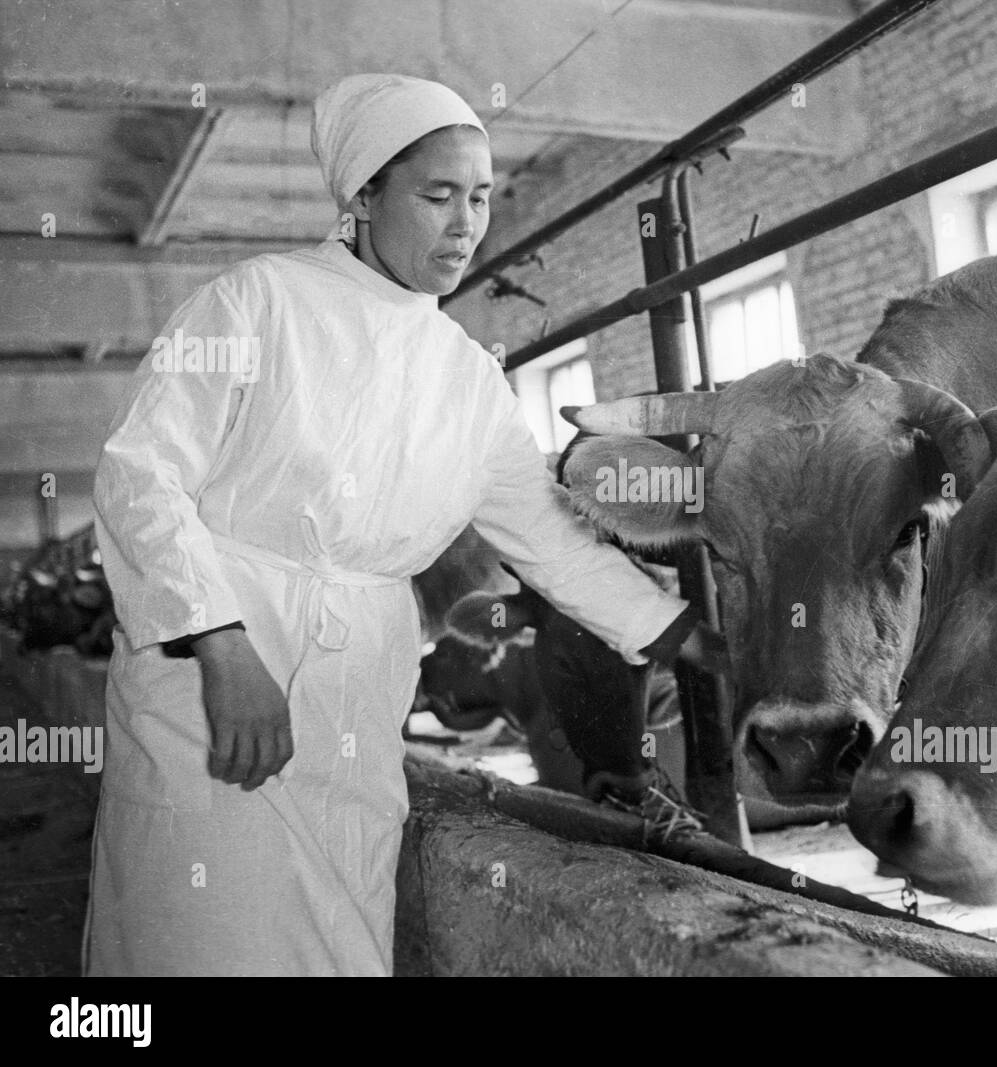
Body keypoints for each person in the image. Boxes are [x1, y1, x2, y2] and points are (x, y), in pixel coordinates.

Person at [84, 73, 706, 977]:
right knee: (199, 931)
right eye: (438, 195)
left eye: (483, 197)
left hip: (359, 695)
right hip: (214, 678)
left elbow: (548, 536)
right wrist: (221, 645)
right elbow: (140, 475)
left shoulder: (466, 377)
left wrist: (680, 632)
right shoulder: (255, 303)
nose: (466, 224)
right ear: (365, 197)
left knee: (338, 939)